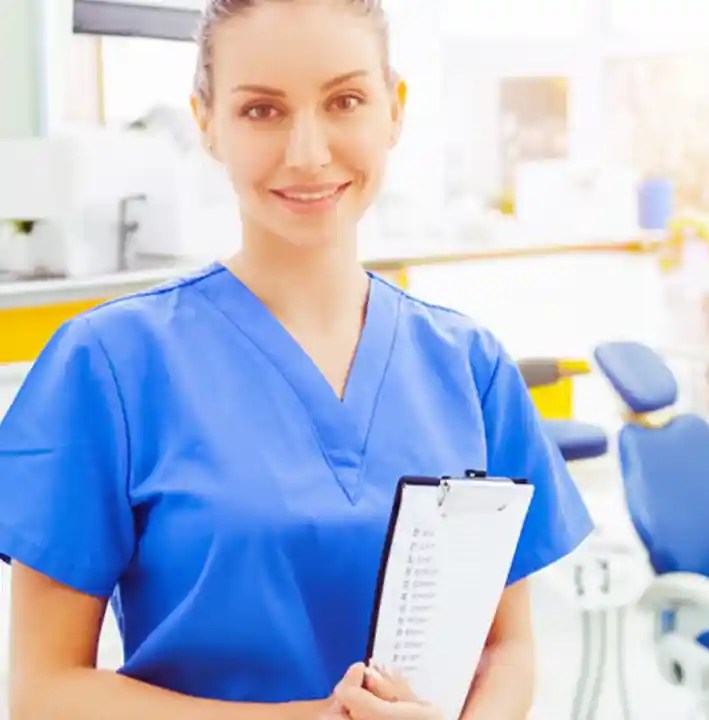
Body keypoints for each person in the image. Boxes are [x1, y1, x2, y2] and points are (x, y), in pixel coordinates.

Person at [0, 1, 593, 718]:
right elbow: (44, 691)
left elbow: (507, 649)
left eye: (344, 100)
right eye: (261, 111)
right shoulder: (109, 366)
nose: (308, 152)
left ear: (394, 109)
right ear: (206, 121)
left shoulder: (471, 368)